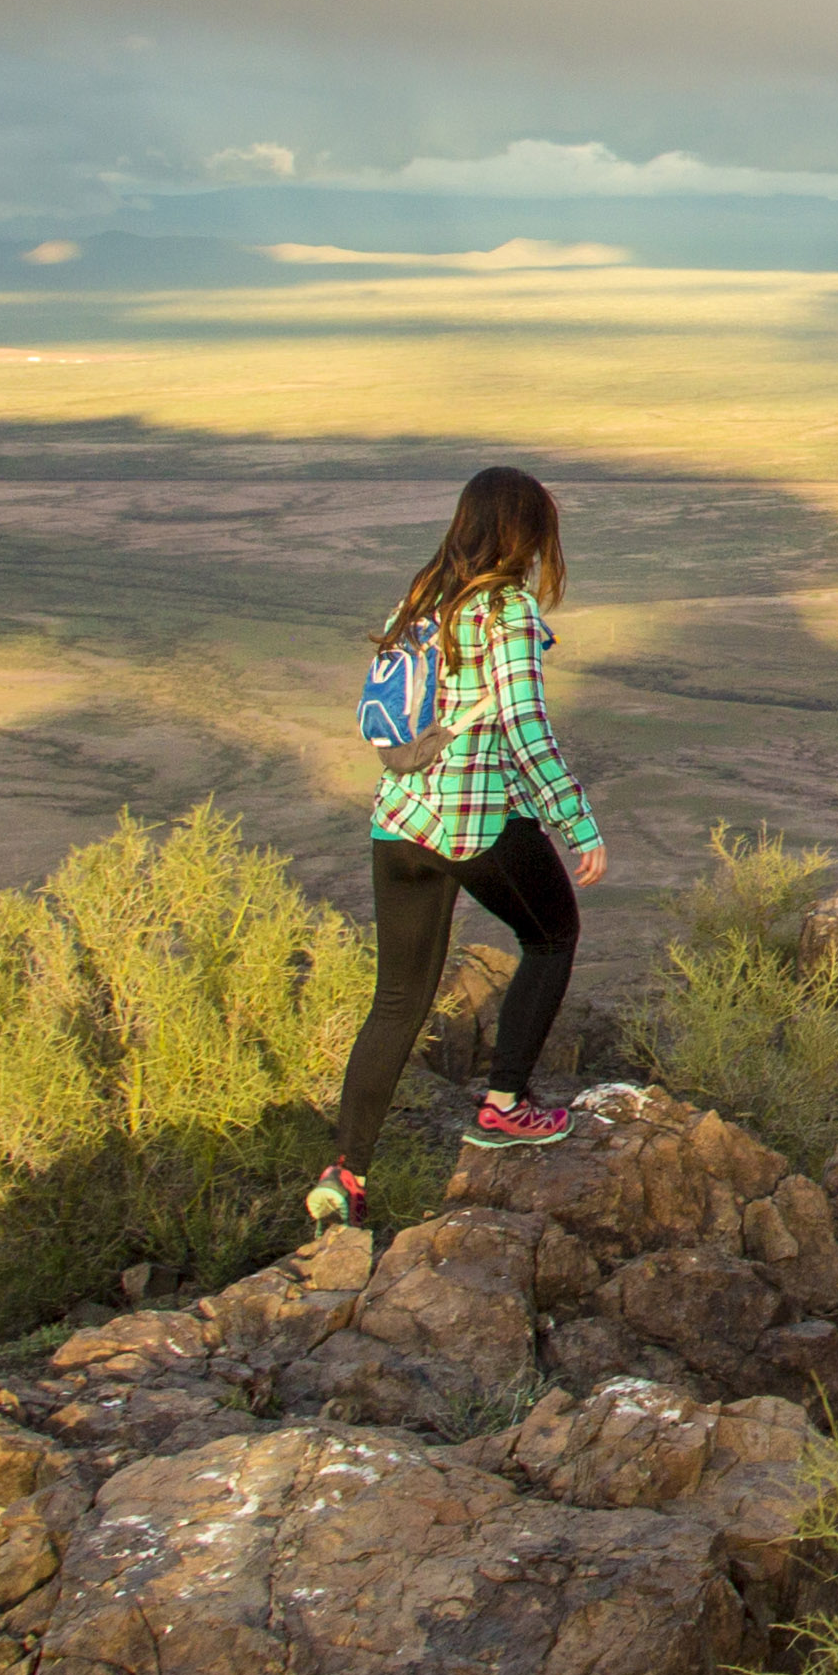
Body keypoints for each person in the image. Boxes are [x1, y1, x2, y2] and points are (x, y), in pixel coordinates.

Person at [315, 463, 609, 1223]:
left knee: (396, 1001)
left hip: (398, 821)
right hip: (471, 820)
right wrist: (576, 821)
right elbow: (525, 727)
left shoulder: (421, 599)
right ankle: (506, 1104)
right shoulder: (503, 608)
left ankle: (344, 1175)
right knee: (552, 936)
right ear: (525, 532)